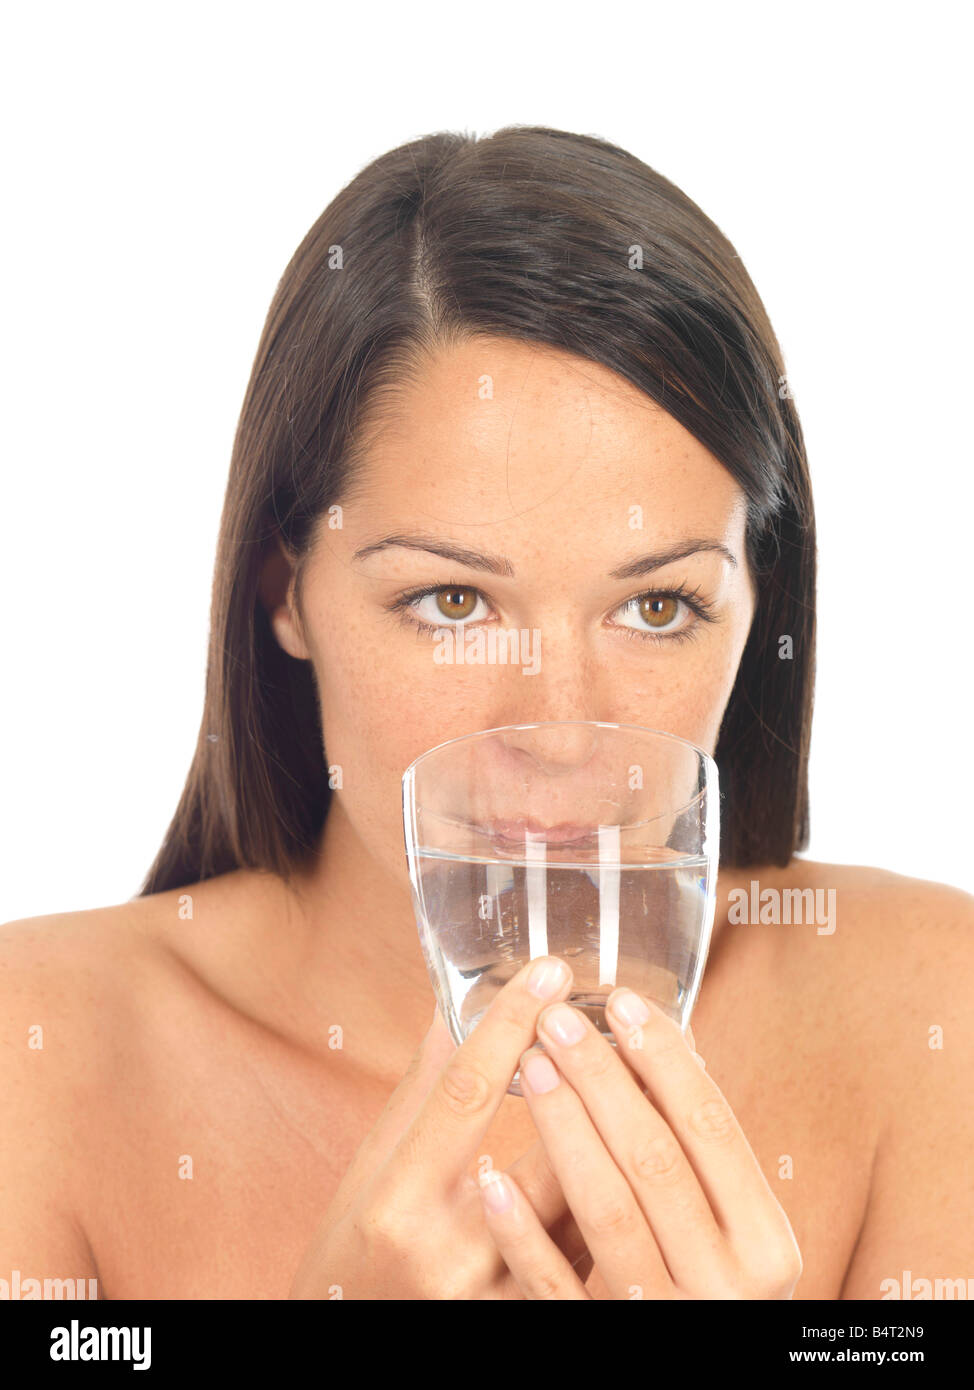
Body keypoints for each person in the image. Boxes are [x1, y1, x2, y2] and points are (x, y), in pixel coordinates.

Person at [3, 126, 971, 1301]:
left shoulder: (936, 1010)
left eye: (658, 605)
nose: (561, 730)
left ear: (760, 598)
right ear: (285, 590)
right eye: (451, 600)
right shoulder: (31, 1062)